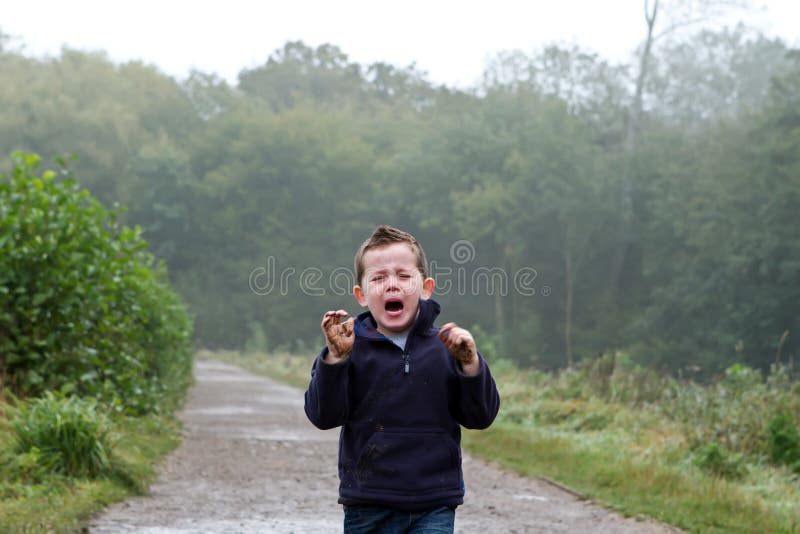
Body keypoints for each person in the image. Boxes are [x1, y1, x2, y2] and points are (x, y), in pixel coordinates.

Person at [304, 225, 501, 534]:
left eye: (404, 276)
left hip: (434, 501)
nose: (392, 285)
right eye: (379, 278)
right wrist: (335, 359)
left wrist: (470, 364)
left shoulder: (447, 348)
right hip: (368, 502)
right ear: (361, 294)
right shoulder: (348, 349)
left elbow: (481, 416)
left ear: (426, 288)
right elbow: (323, 416)